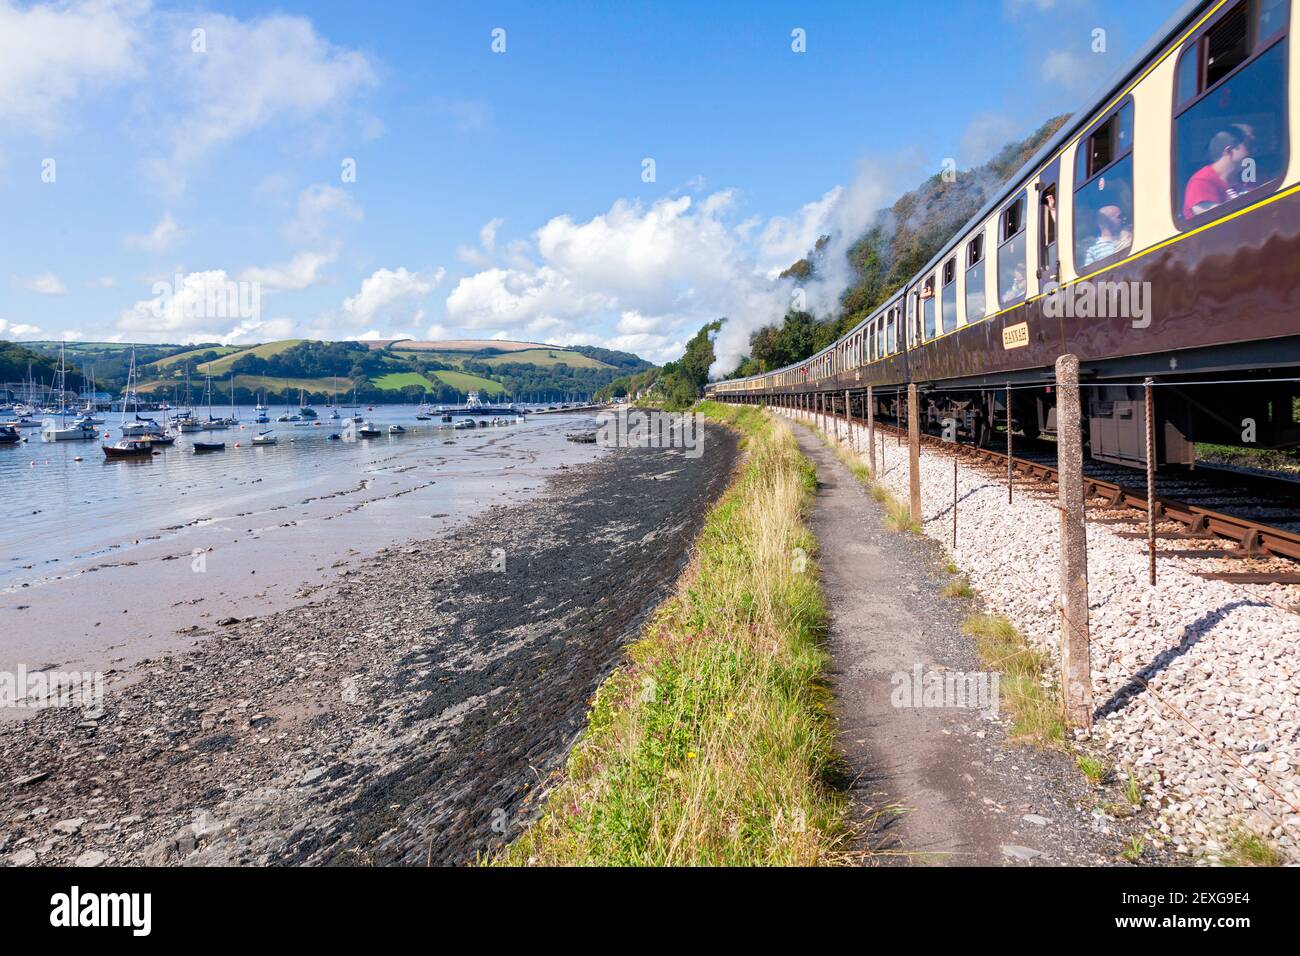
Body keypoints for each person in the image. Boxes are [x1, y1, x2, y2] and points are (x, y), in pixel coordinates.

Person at [1183, 126, 1254, 219]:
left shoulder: (1247, 176)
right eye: (1248, 146)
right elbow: (1216, 222)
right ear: (1229, 151)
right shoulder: (1201, 182)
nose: (1254, 151)